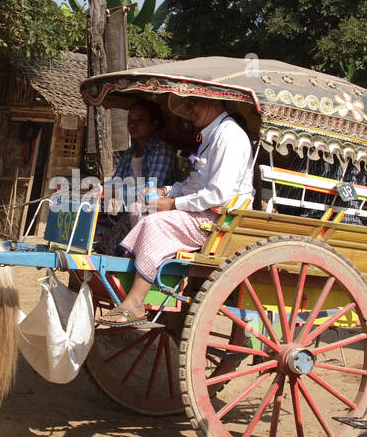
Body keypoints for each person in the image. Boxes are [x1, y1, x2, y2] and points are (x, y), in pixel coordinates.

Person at [98, 96, 254, 325]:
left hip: (219, 218)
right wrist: (168, 191)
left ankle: (136, 302)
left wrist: (172, 204)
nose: (190, 110)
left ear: (214, 103)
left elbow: (218, 194)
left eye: (194, 103)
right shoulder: (210, 136)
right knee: (138, 207)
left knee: (154, 224)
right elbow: (194, 184)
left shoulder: (230, 136)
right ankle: (148, 273)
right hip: (201, 212)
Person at [94, 99, 180, 255]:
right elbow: (116, 182)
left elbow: (151, 191)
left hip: (153, 214)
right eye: (130, 120)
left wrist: (109, 192)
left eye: (140, 120)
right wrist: (96, 188)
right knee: (90, 227)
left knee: (108, 242)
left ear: (154, 124)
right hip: (127, 213)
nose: (132, 125)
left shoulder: (162, 151)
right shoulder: (130, 153)